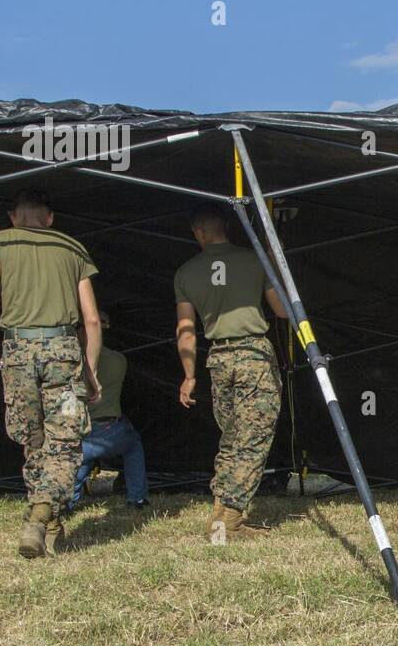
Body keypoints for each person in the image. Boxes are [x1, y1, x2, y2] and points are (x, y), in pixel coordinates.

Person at [0, 188, 102, 558]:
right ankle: (44, 515)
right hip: (62, 350)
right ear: (49, 218)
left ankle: (45, 516)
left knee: (34, 441)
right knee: (65, 443)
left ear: (14, 217)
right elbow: (91, 318)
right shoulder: (72, 248)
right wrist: (90, 371)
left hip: (17, 351)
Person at [175, 202, 288, 540]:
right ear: (226, 227)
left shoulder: (185, 273)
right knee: (252, 441)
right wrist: (274, 263)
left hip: (218, 361)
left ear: (198, 232)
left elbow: (186, 328)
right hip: (254, 355)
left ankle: (220, 517)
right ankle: (231, 520)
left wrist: (189, 375)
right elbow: (282, 310)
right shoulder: (255, 261)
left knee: (232, 440)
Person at [68, 310, 149, 511]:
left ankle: (68, 503)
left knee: (81, 461)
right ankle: (137, 498)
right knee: (133, 445)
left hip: (77, 433)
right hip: (110, 431)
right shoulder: (119, 360)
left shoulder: (68, 362)